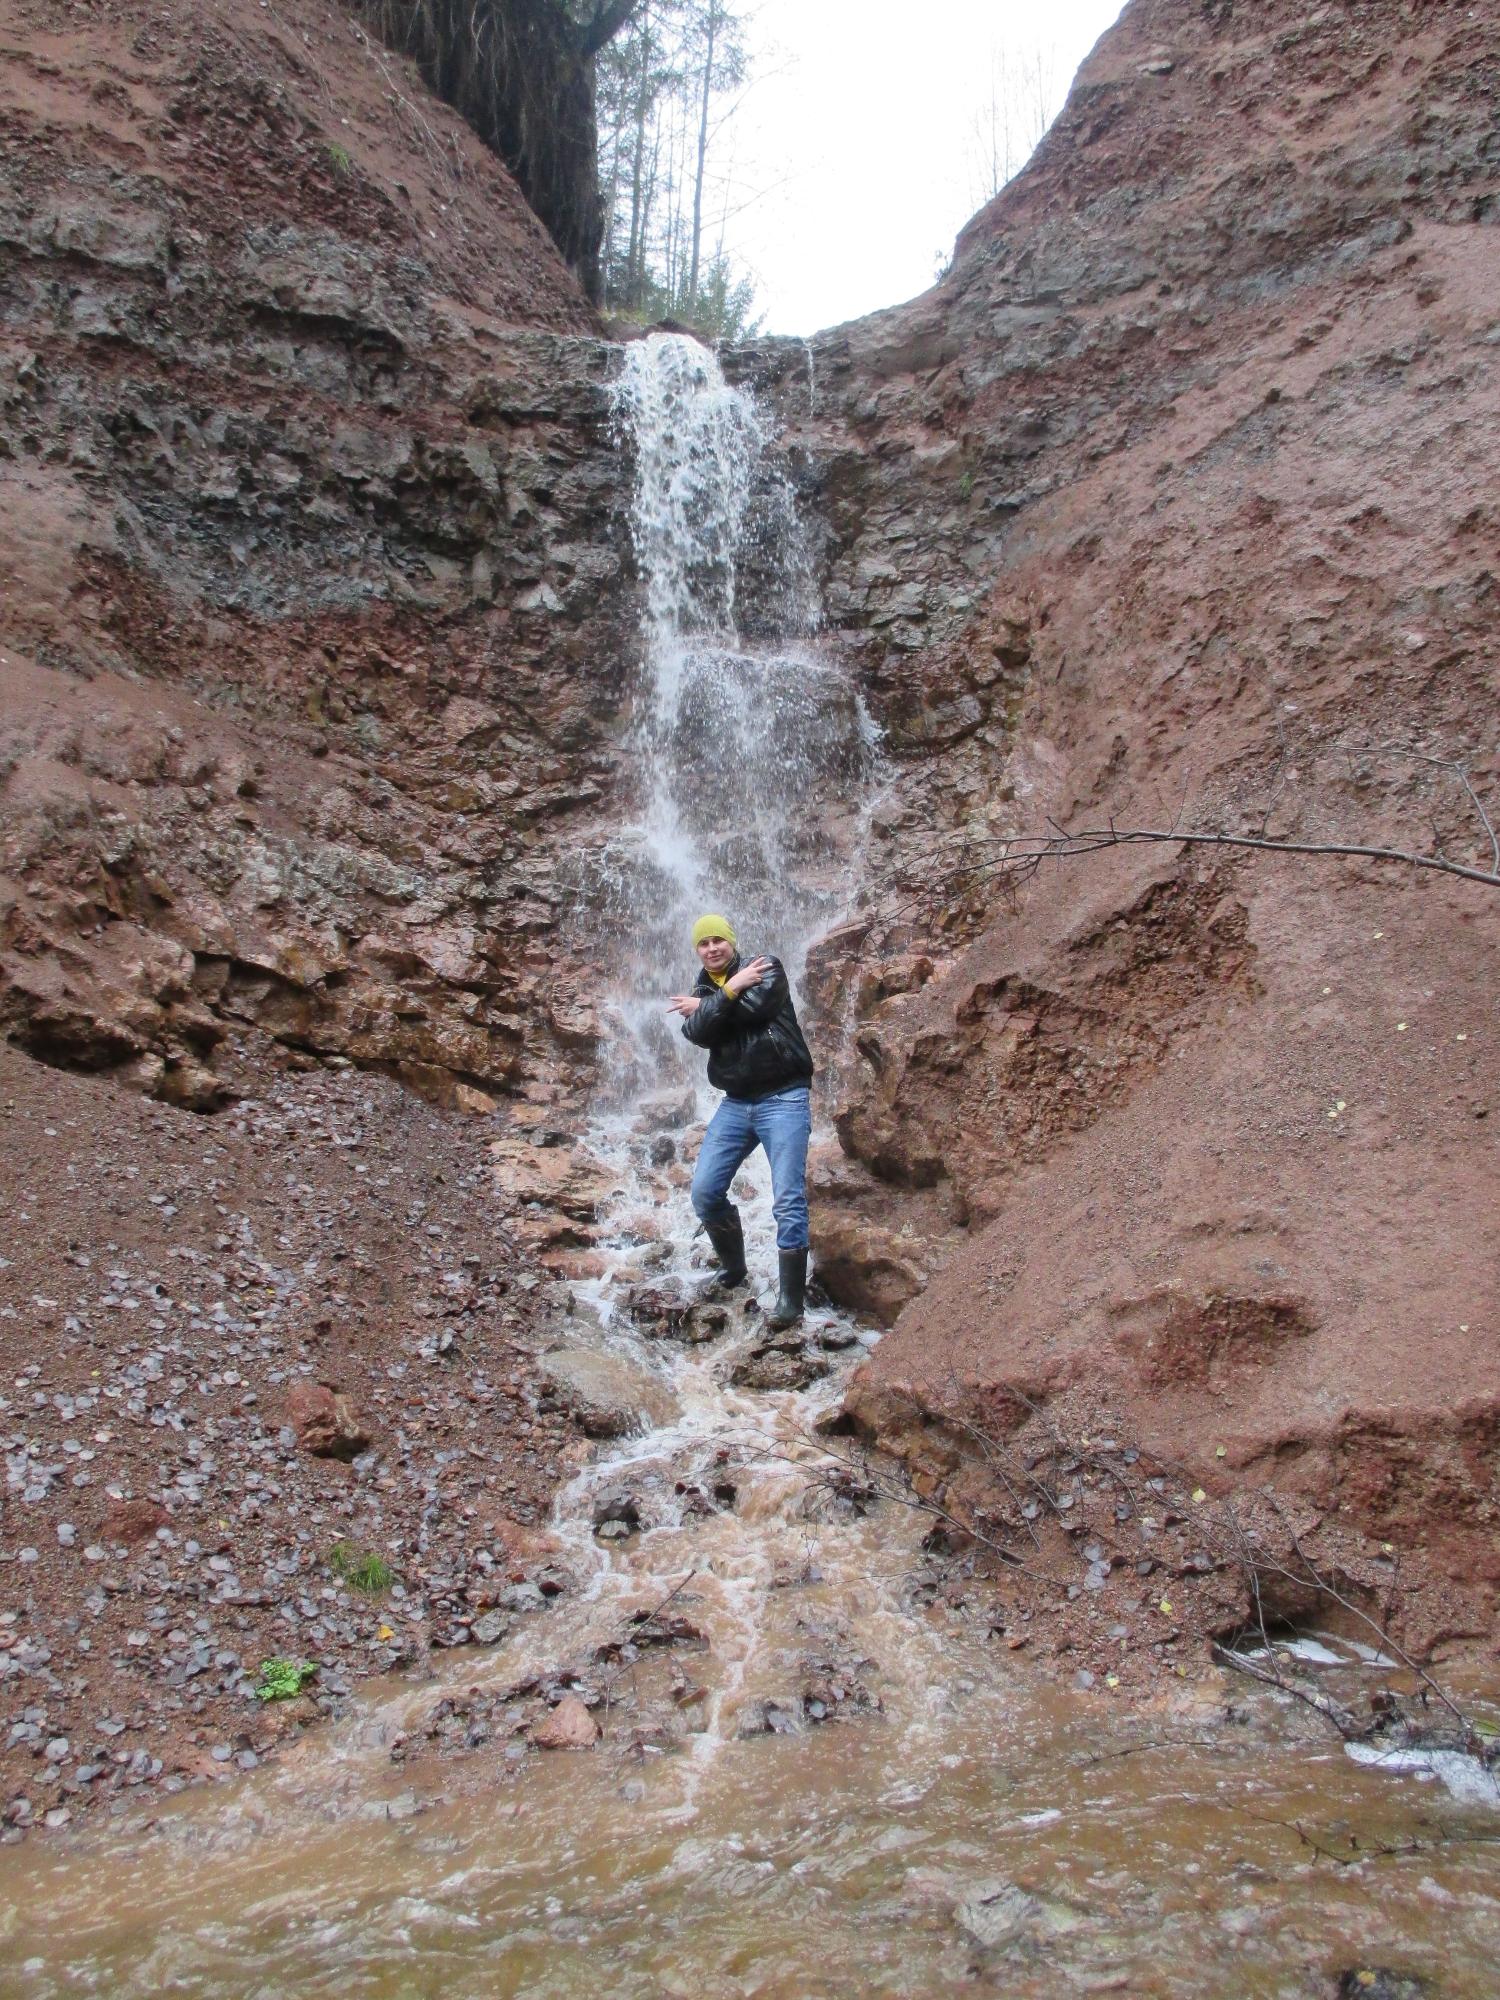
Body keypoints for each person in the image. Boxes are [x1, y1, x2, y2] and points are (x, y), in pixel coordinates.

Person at [667, 913, 814, 1329]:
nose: (712, 948)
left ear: (732, 942)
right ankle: (734, 1268)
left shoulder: (765, 966)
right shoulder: (703, 988)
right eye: (703, 943)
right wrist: (728, 991)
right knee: (705, 1192)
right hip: (736, 1102)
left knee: (786, 1197)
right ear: (697, 950)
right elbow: (696, 1033)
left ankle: (790, 1300)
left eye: (718, 940)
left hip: (785, 1095)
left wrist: (711, 1006)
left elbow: (756, 1010)